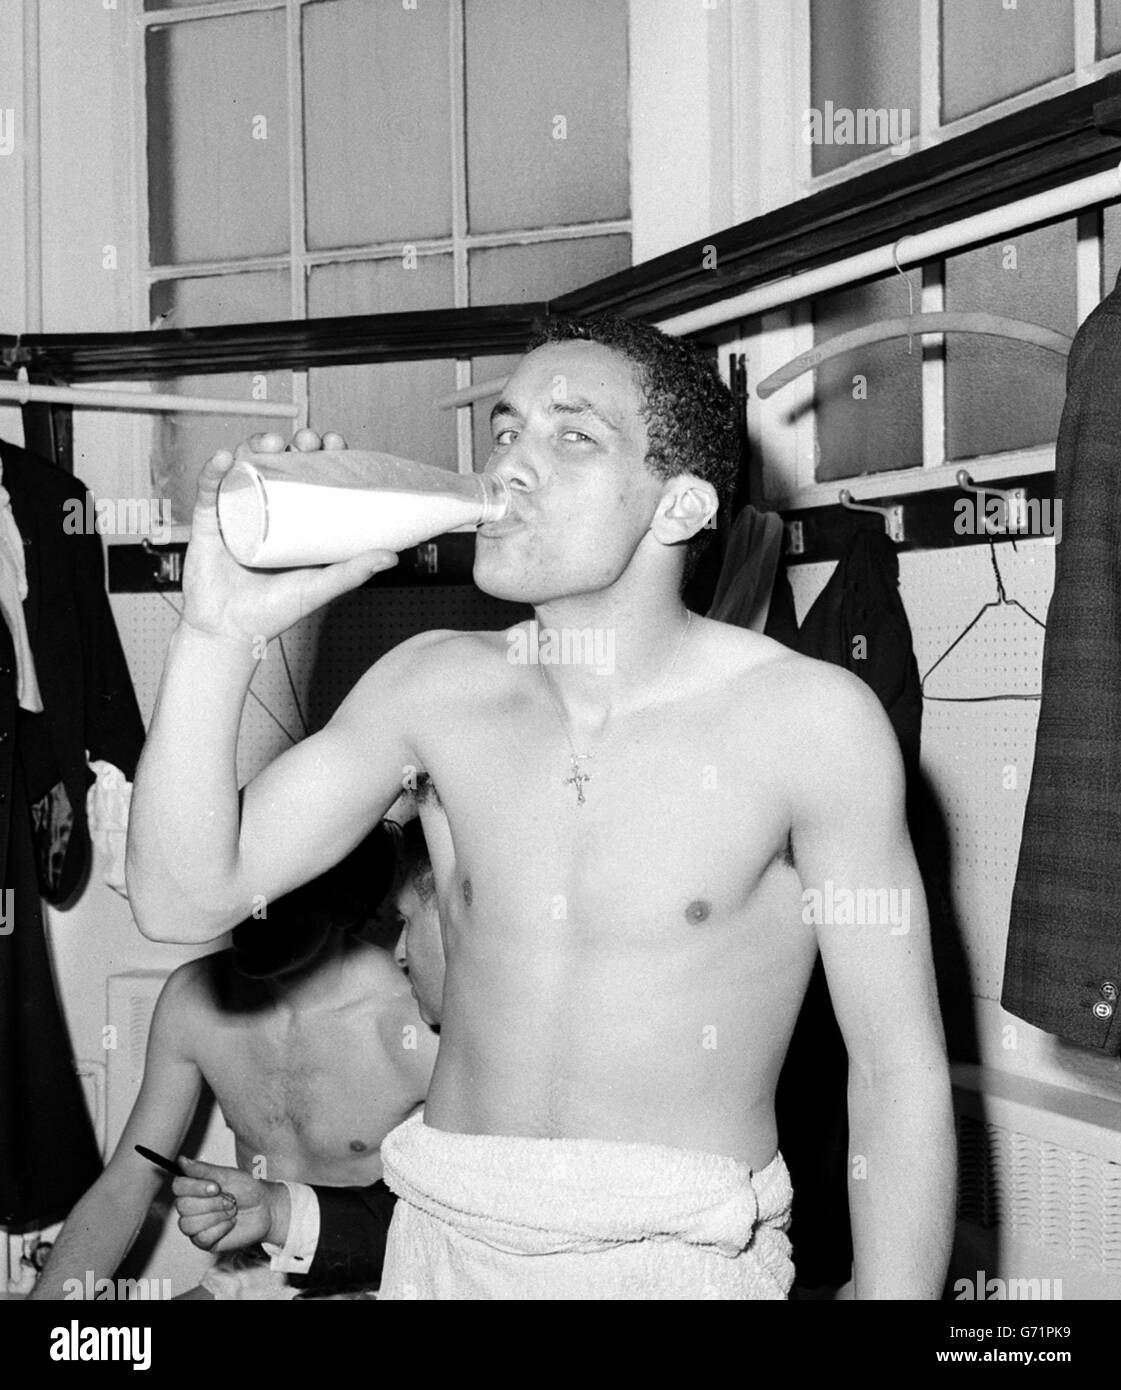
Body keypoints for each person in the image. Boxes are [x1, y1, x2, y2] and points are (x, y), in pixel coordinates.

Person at [129, 314, 956, 1300]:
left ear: (681, 505)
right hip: (441, 1248)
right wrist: (216, 633)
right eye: (506, 430)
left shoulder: (810, 722)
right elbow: (183, 900)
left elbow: (897, 1074)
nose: (514, 463)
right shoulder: (429, 686)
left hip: (670, 1260)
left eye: (571, 436)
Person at [31, 826, 437, 1301]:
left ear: (343, 900)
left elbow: (462, 1219)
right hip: (254, 1270)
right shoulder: (193, 1000)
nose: (252, 917)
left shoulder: (412, 1020)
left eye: (276, 899)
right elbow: (126, 1184)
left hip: (379, 1275)